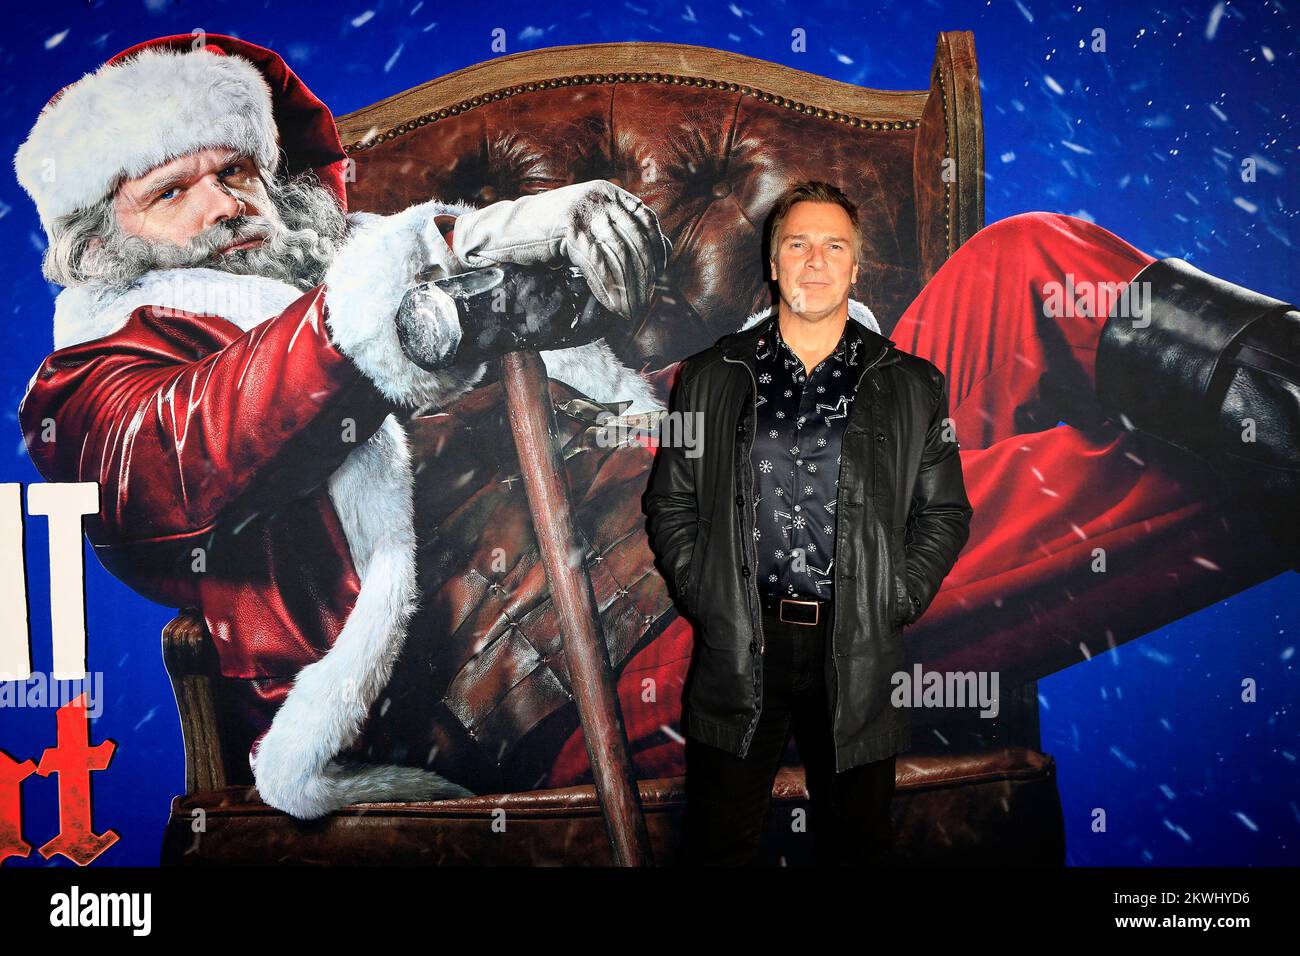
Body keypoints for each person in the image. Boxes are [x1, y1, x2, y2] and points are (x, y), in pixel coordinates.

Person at [14, 33, 669, 819]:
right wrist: (396, 311)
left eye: (234, 171)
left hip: (595, 541)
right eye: (170, 192)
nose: (224, 205)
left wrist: (507, 236)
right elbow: (202, 441)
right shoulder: (89, 388)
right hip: (442, 671)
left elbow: (621, 411)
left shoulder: (360, 252)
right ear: (98, 244)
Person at [646, 180, 973, 865]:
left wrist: (897, 595)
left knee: (857, 848)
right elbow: (669, 502)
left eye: (834, 247)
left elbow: (943, 510)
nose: (816, 261)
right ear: (773, 262)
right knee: (717, 848)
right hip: (740, 647)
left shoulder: (912, 384)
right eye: (798, 244)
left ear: (855, 268)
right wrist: (706, 594)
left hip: (855, 648)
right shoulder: (709, 376)